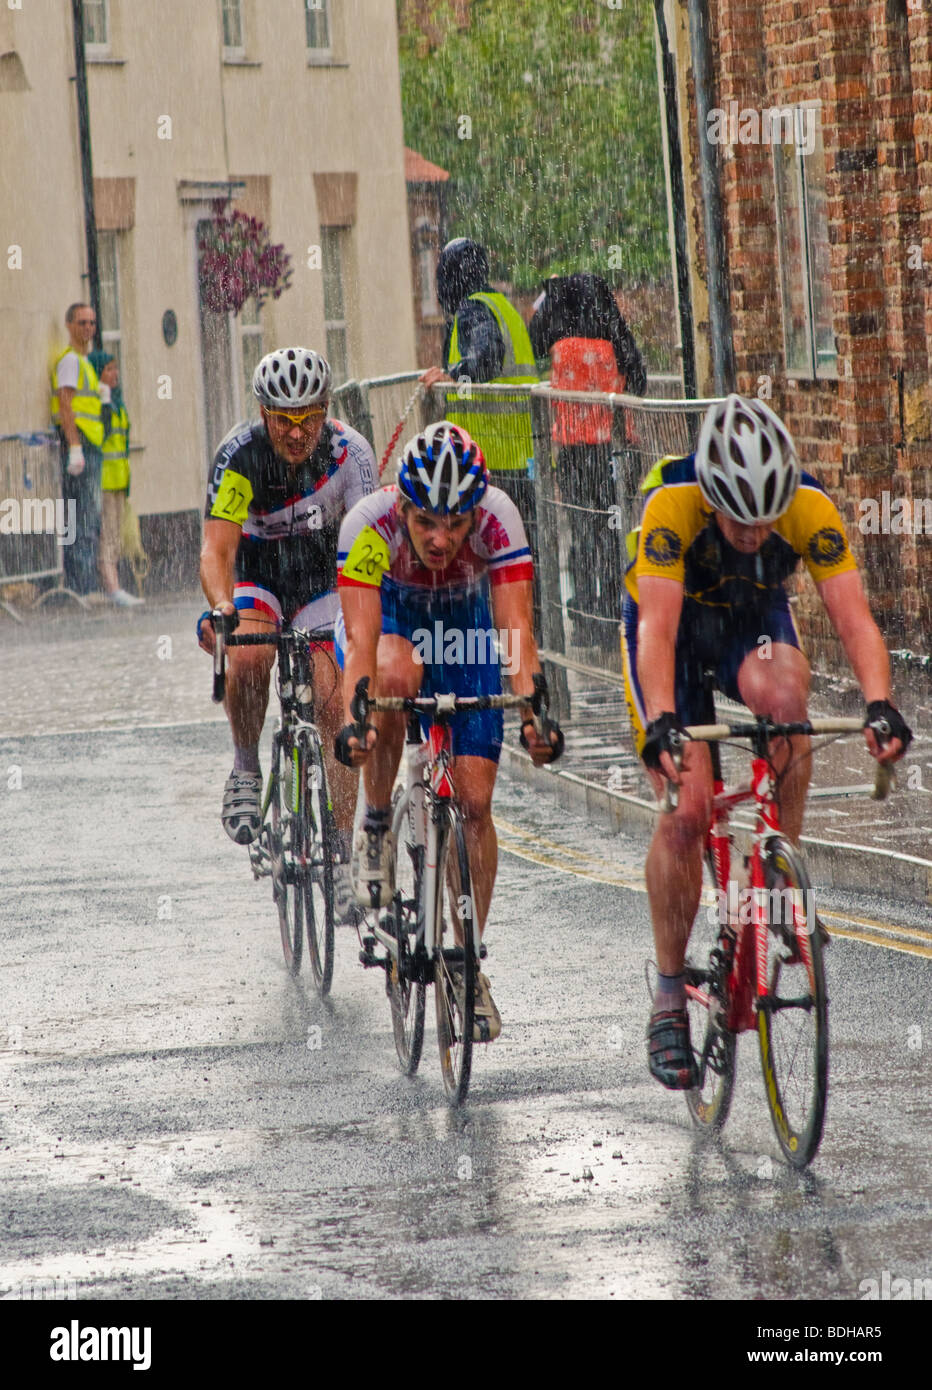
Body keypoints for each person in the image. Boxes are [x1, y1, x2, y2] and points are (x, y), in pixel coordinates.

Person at [622, 394, 912, 1091]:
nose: (753, 531)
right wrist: (663, 722)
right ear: (711, 493)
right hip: (675, 635)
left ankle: (780, 872)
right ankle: (668, 997)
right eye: (737, 516)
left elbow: (855, 620)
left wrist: (880, 706)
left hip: (751, 623)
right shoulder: (671, 506)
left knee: (787, 703)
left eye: (765, 516)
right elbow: (655, 632)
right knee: (688, 811)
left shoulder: (809, 507)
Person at [333, 420, 563, 1040]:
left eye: (456, 524)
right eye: (427, 522)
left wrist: (534, 710)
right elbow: (358, 642)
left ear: (475, 512)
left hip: (466, 630)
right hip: (393, 624)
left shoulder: (498, 519)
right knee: (393, 676)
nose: (441, 539)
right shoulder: (369, 525)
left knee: (476, 801)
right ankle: (378, 822)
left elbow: (517, 634)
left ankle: (467, 960)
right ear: (403, 506)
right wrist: (359, 713)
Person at [197, 347, 378, 921]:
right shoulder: (239, 456)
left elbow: (368, 550)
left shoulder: (352, 455)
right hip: (259, 575)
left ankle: (345, 854)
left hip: (325, 577)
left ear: (327, 410)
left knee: (334, 699)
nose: (298, 432)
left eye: (310, 418)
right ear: (263, 412)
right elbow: (217, 548)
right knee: (249, 661)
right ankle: (247, 766)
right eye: (284, 420)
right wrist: (222, 604)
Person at [529, 272, 646, 645]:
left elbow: (536, 341)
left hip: (573, 452)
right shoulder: (615, 341)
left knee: (581, 532)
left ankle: (583, 614)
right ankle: (615, 609)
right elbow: (639, 380)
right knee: (614, 530)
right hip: (614, 450)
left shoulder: (560, 345)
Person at [420, 238, 539, 537]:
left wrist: (453, 376)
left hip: (490, 457)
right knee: (521, 545)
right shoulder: (502, 305)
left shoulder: (473, 309)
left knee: (490, 547)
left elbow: (485, 358)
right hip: (521, 450)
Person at [50, 303, 103, 596]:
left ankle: (83, 585)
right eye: (82, 323)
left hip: (89, 444)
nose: (88, 329)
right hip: (81, 445)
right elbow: (65, 404)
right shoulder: (71, 361)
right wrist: (74, 447)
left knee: (85, 516)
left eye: (92, 323)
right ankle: (83, 587)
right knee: (84, 517)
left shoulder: (84, 362)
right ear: (69, 325)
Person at [89, 350, 143, 608]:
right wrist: (104, 404)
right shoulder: (103, 403)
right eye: (109, 369)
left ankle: (115, 585)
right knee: (108, 536)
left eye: (115, 368)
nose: (115, 374)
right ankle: (113, 587)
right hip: (105, 481)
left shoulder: (116, 401)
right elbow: (102, 435)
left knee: (116, 536)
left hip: (119, 480)